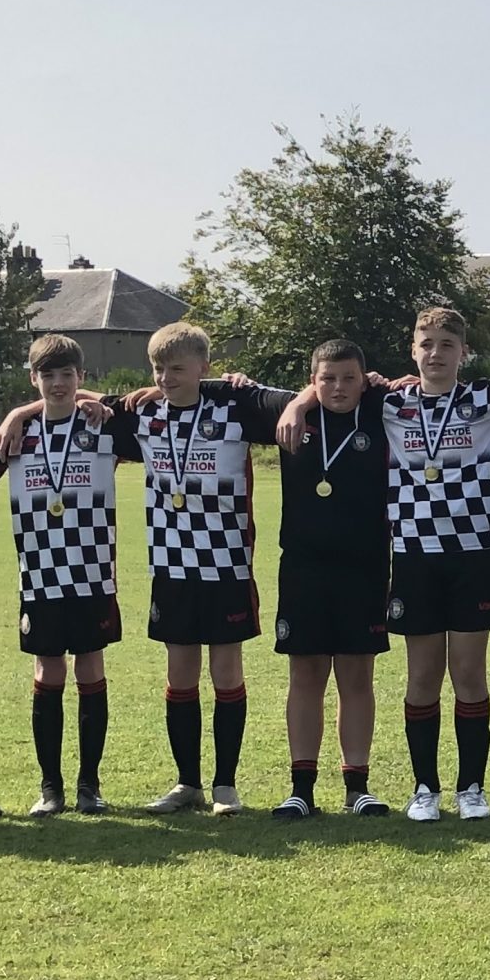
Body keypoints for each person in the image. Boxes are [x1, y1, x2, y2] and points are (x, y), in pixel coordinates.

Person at [99, 323, 293, 815]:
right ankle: (187, 784)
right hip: (171, 568)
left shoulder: (235, 407)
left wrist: (237, 385)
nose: (165, 378)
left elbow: (303, 396)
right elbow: (66, 392)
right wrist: (20, 411)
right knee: (180, 674)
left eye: (177, 369)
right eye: (158, 369)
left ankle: (226, 786)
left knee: (226, 673)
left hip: (226, 566)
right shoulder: (142, 412)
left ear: (203, 368)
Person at [374, 307, 490, 822]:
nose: (436, 353)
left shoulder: (488, 399)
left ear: (463, 352)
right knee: (423, 675)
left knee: (469, 673)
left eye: (446, 344)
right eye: (426, 343)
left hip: (472, 553)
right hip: (412, 556)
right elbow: (319, 385)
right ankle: (424, 788)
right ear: (413, 349)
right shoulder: (387, 403)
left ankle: (471, 787)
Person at [268, 340, 394, 817]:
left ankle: (356, 786)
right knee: (305, 674)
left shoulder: (383, 408)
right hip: (303, 567)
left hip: (364, 567)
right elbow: (219, 391)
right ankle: (301, 788)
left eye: (348, 378)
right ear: (312, 379)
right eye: (327, 379)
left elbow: (425, 387)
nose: (338, 388)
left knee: (357, 675)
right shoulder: (286, 412)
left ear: (365, 378)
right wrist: (300, 401)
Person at [1, 335, 123, 815]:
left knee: (91, 668)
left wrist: (92, 403)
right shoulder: (16, 435)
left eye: (66, 375)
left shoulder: (106, 426)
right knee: (48, 670)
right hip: (40, 575)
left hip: (93, 573)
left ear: (82, 378)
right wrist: (17, 414)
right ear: (34, 379)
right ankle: (50, 788)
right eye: (47, 375)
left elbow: (154, 395)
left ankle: (89, 785)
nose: (57, 384)